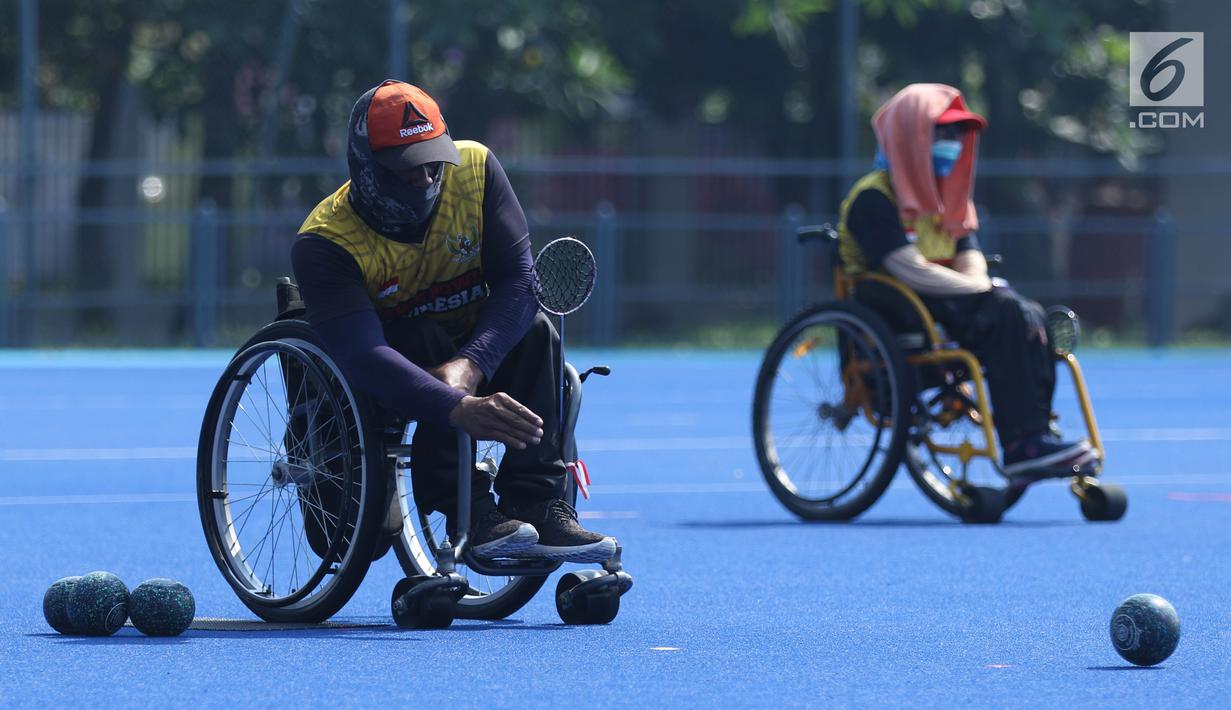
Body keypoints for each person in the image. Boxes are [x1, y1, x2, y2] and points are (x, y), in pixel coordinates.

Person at [290, 80, 615, 562]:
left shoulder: (475, 170)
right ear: (369, 169)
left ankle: (538, 500)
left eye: (432, 163)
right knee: (425, 337)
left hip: (468, 351)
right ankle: (468, 509)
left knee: (536, 330)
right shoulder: (326, 241)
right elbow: (364, 356)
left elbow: (520, 281)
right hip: (385, 370)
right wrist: (454, 405)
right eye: (407, 170)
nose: (425, 179)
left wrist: (470, 367)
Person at [837, 83, 1095, 478]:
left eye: (958, 134)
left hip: (945, 302)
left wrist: (985, 287)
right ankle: (1022, 441)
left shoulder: (948, 197)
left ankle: (1036, 431)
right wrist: (983, 290)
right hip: (895, 312)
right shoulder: (873, 198)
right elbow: (908, 269)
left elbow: (970, 257)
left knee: (1030, 317)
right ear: (911, 135)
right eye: (943, 132)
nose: (954, 142)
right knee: (1008, 311)